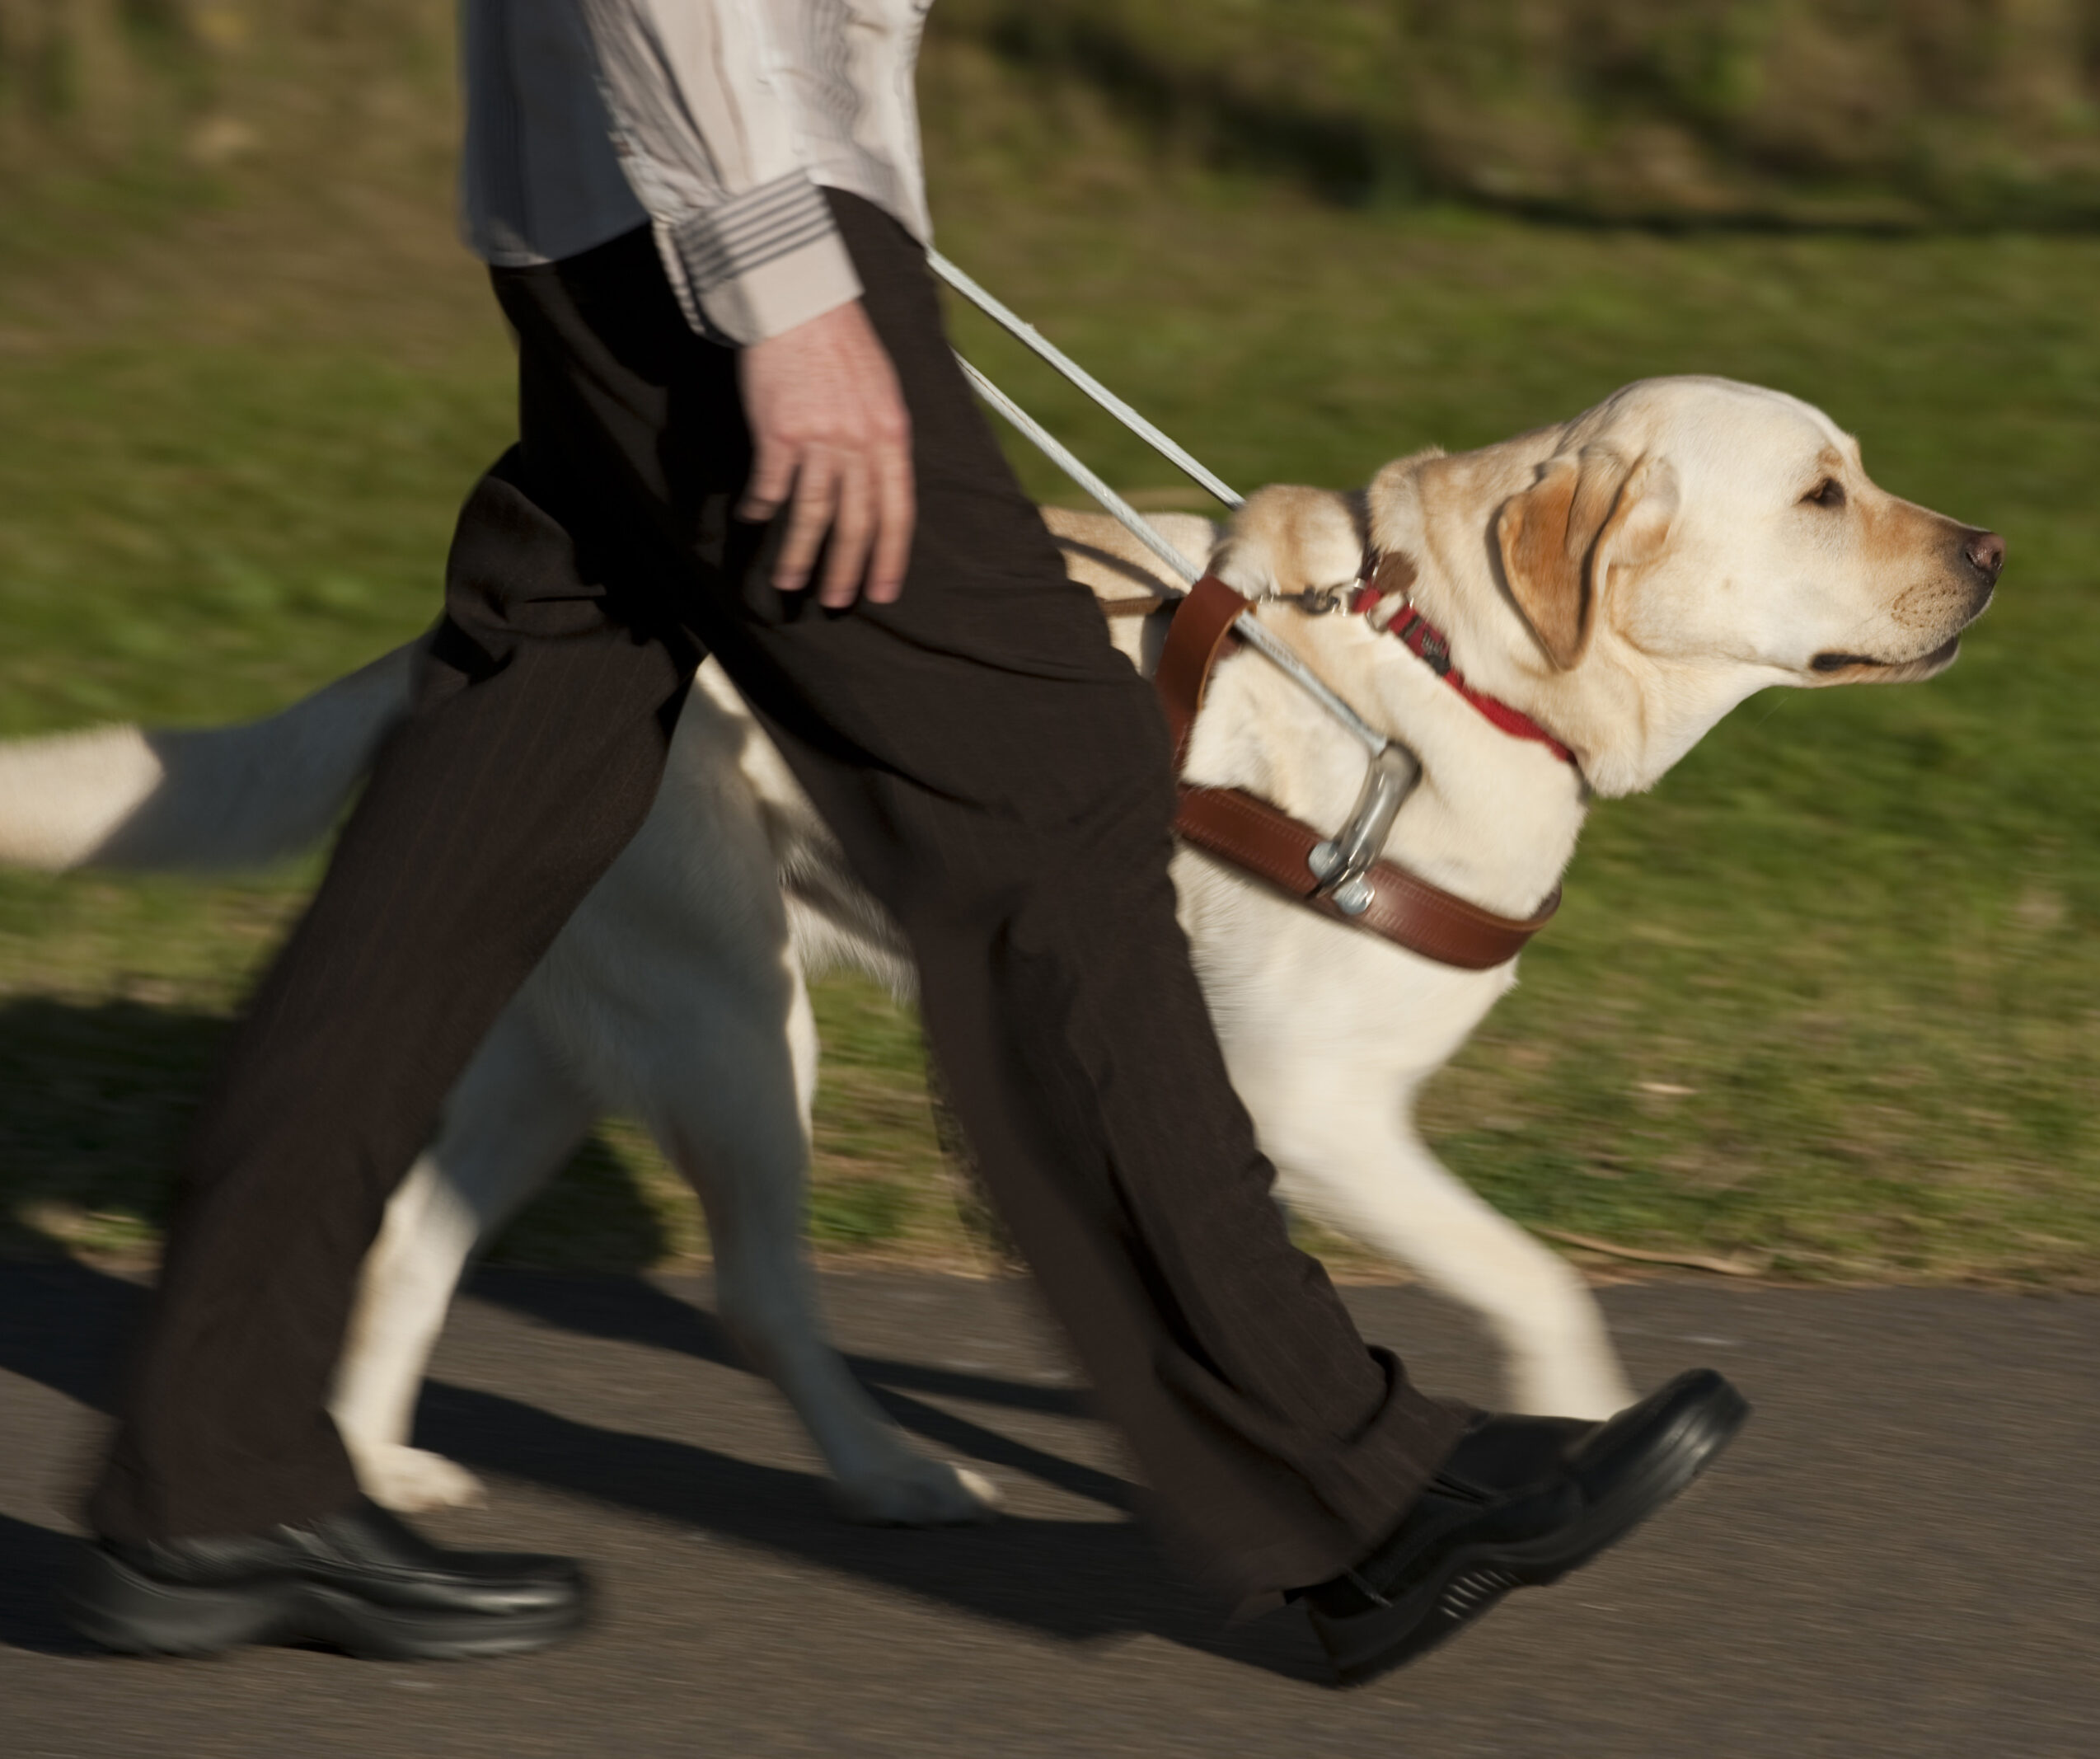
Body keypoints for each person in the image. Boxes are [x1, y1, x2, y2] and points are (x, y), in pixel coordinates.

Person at [60, 0, 1745, 1682]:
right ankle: (1347, 1486)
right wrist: (784, 286)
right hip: (725, 227)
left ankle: (208, 1474)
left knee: (480, 809)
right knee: (1052, 786)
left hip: (627, 209)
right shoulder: (755, 253)